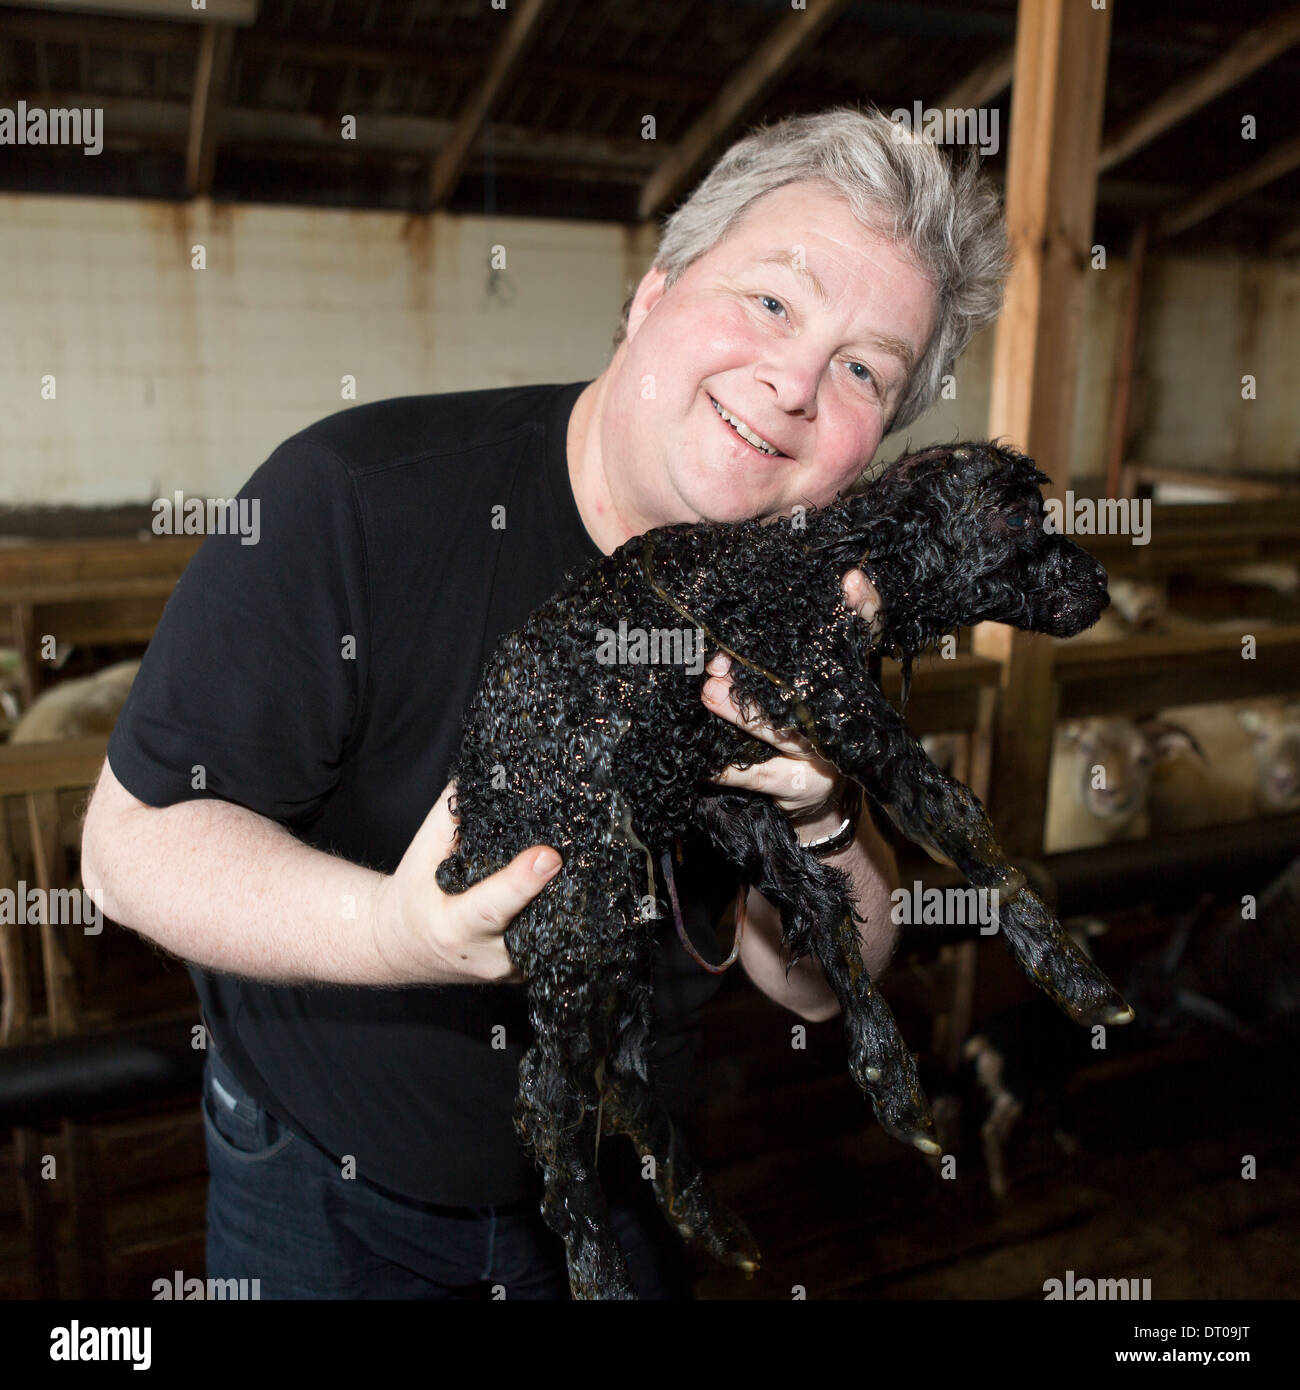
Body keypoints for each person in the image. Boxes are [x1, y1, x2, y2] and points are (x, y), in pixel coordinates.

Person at [80, 105, 1006, 1299]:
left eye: (864, 368)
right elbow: (128, 845)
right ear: (653, 290)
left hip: (622, 1189)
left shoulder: (805, 608)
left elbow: (823, 982)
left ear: (875, 441)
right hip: (325, 1181)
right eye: (772, 300)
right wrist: (396, 934)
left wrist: (827, 818)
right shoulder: (355, 501)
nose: (792, 380)